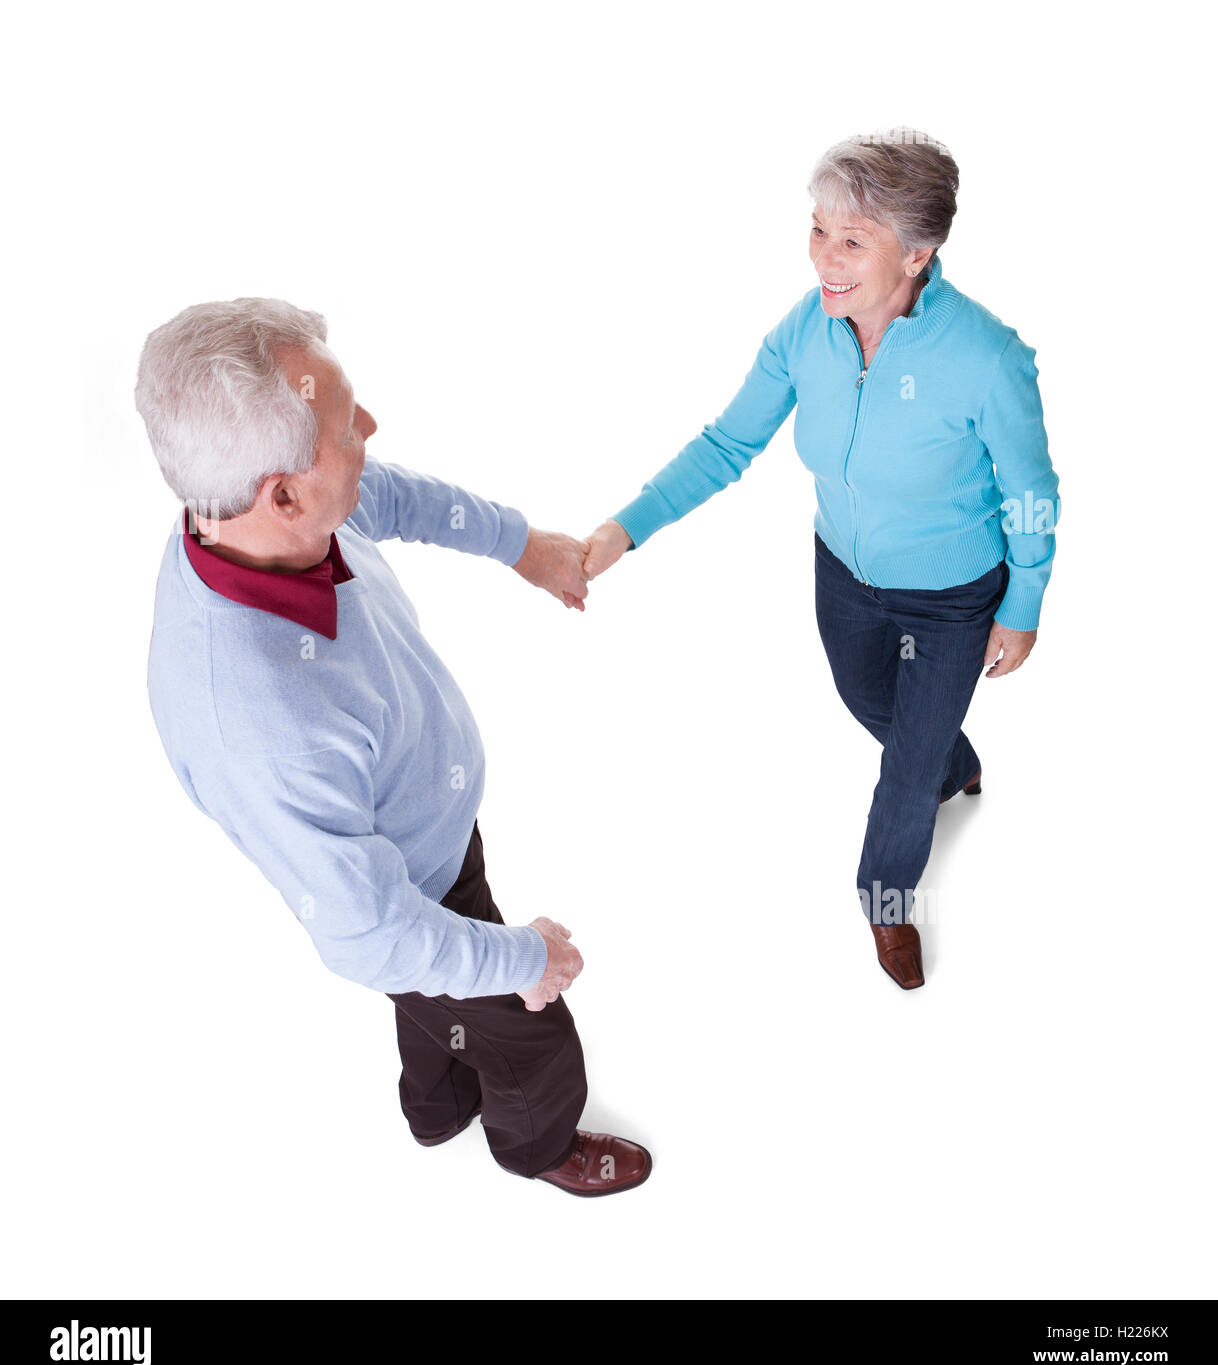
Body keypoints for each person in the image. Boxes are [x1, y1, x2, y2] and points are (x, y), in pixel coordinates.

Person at [137, 297, 651, 1195]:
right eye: (346, 427)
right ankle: (537, 1147)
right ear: (283, 493)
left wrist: (523, 546)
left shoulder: (261, 520)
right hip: (403, 890)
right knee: (534, 1037)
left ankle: (435, 1106)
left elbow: (387, 494)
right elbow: (374, 937)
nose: (370, 429)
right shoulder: (259, 723)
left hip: (423, 843)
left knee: (435, 996)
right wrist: (529, 960)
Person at [582, 128, 1060, 990]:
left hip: (952, 596)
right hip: (843, 575)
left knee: (905, 778)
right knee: (869, 701)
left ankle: (886, 903)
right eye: (817, 230)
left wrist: (1023, 601)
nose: (823, 261)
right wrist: (626, 528)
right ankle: (956, 758)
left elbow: (1031, 487)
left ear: (919, 252)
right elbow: (728, 443)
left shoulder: (987, 357)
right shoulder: (808, 330)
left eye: (851, 240)